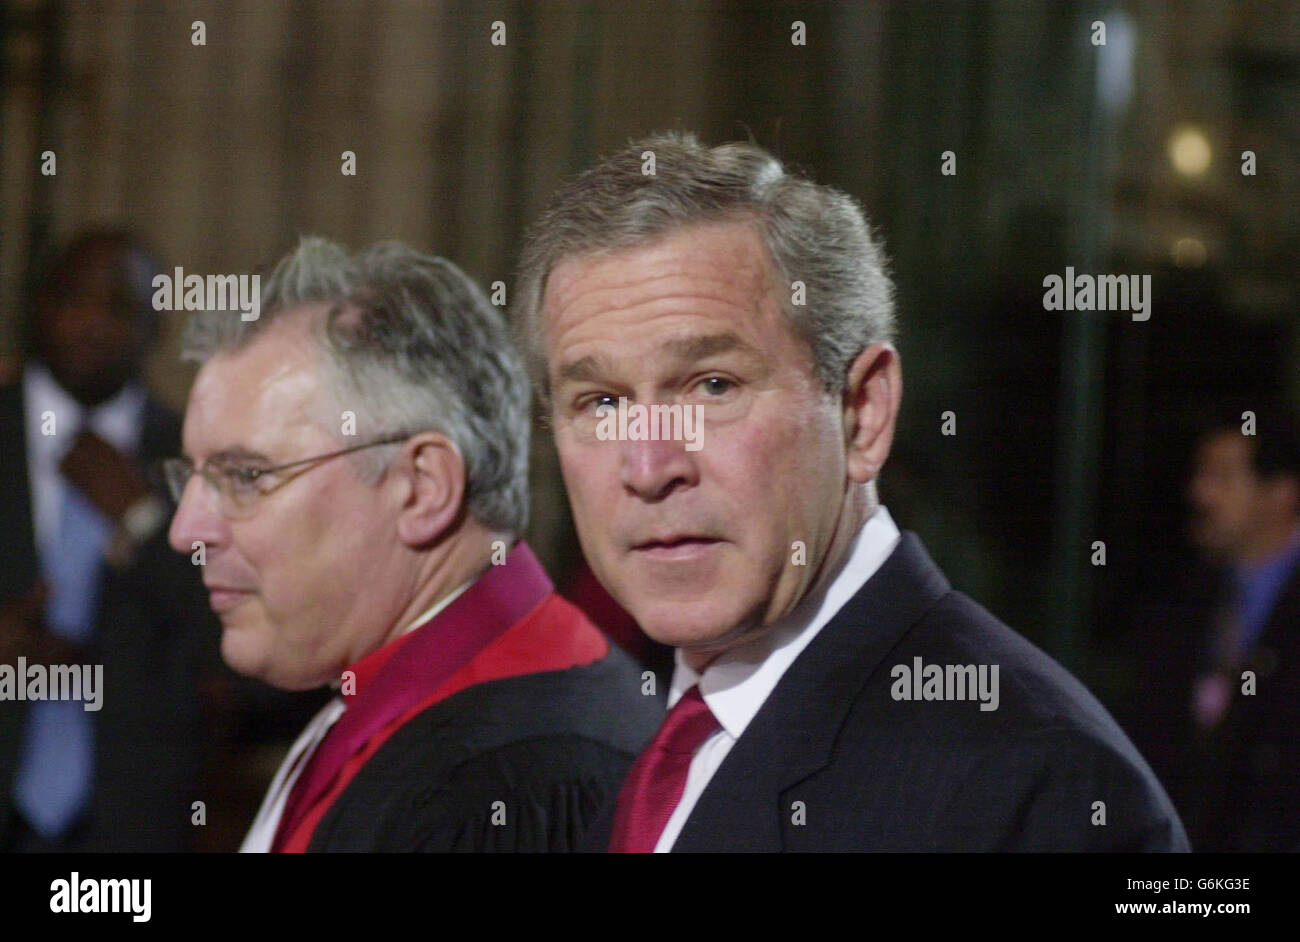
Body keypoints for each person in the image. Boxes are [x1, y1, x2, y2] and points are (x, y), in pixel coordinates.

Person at [514, 131, 1189, 851]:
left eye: (713, 386)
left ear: (864, 414)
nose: (647, 468)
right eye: (601, 403)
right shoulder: (615, 753)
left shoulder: (1042, 787)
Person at [167, 237, 658, 852]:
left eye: (245, 477)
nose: (185, 531)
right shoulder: (383, 698)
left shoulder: (516, 783)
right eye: (190, 477)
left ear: (422, 489)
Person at [0, 230, 221, 851]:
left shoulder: (202, 454)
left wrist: (142, 522)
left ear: (158, 326)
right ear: (39, 305)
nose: (93, 324)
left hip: (130, 826)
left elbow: (233, 643)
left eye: (120, 307)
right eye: (75, 300)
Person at [1177, 402, 1300, 851]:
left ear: (1281, 494)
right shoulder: (1185, 598)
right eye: (1201, 474)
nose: (1200, 493)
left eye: (1225, 478)